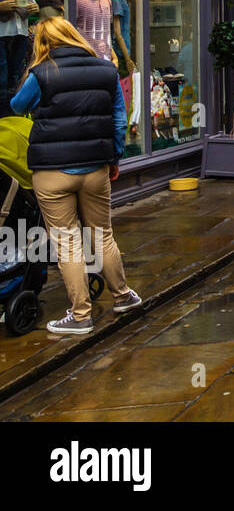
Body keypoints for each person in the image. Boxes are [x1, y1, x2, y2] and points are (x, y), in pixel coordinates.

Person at [10, 17, 140, 335]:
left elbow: (17, 106)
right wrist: (114, 159)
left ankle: (81, 315)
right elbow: (119, 119)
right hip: (95, 168)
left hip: (52, 171)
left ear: (43, 44)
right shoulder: (106, 69)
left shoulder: (42, 73)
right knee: (102, 235)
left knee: (68, 243)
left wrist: (34, 75)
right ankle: (123, 296)